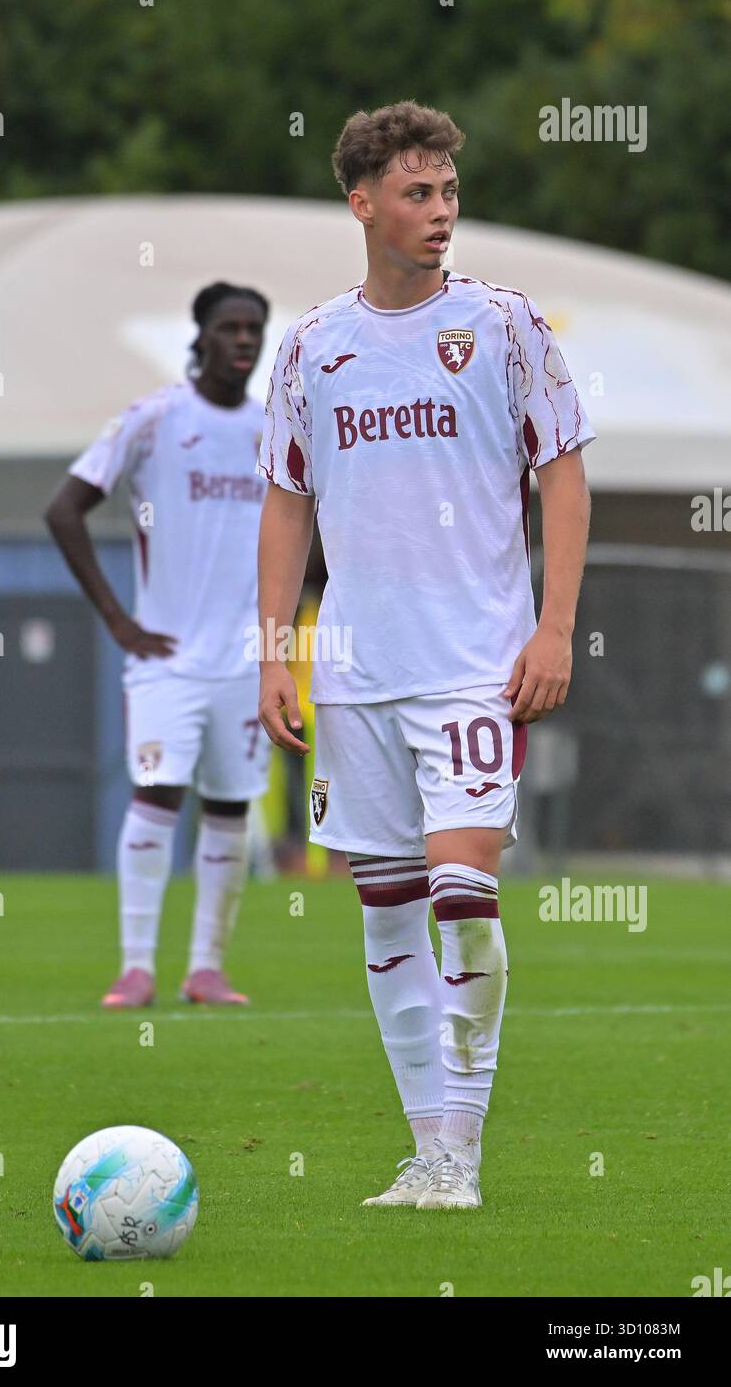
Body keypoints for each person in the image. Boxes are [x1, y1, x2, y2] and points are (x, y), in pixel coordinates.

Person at [256, 101, 594, 1209]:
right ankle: (427, 1150)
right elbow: (284, 502)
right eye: (416, 193)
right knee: (389, 906)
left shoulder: (503, 326)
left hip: (471, 666)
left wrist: (551, 626)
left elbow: (562, 472)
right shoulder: (312, 345)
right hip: (355, 673)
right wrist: (275, 653)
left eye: (448, 192)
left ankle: (463, 1144)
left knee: (461, 893)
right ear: (361, 204)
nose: (440, 212)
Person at [45, 281, 271, 1008]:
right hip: (165, 661)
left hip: (245, 662)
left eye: (253, 329)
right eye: (229, 327)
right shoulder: (155, 419)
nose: (243, 340)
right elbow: (65, 509)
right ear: (199, 336)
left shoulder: (273, 431)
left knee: (232, 807)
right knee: (155, 796)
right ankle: (136, 966)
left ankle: (206, 968)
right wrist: (119, 621)